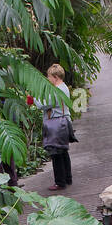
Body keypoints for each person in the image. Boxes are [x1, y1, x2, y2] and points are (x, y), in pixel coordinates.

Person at [41, 62, 73, 191]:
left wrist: (35, 97)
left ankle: (60, 182)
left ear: (55, 77)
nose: (48, 79)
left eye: (49, 76)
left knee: (56, 153)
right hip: (63, 122)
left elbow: (44, 105)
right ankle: (67, 178)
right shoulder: (64, 87)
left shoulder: (57, 90)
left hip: (56, 124)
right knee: (63, 152)